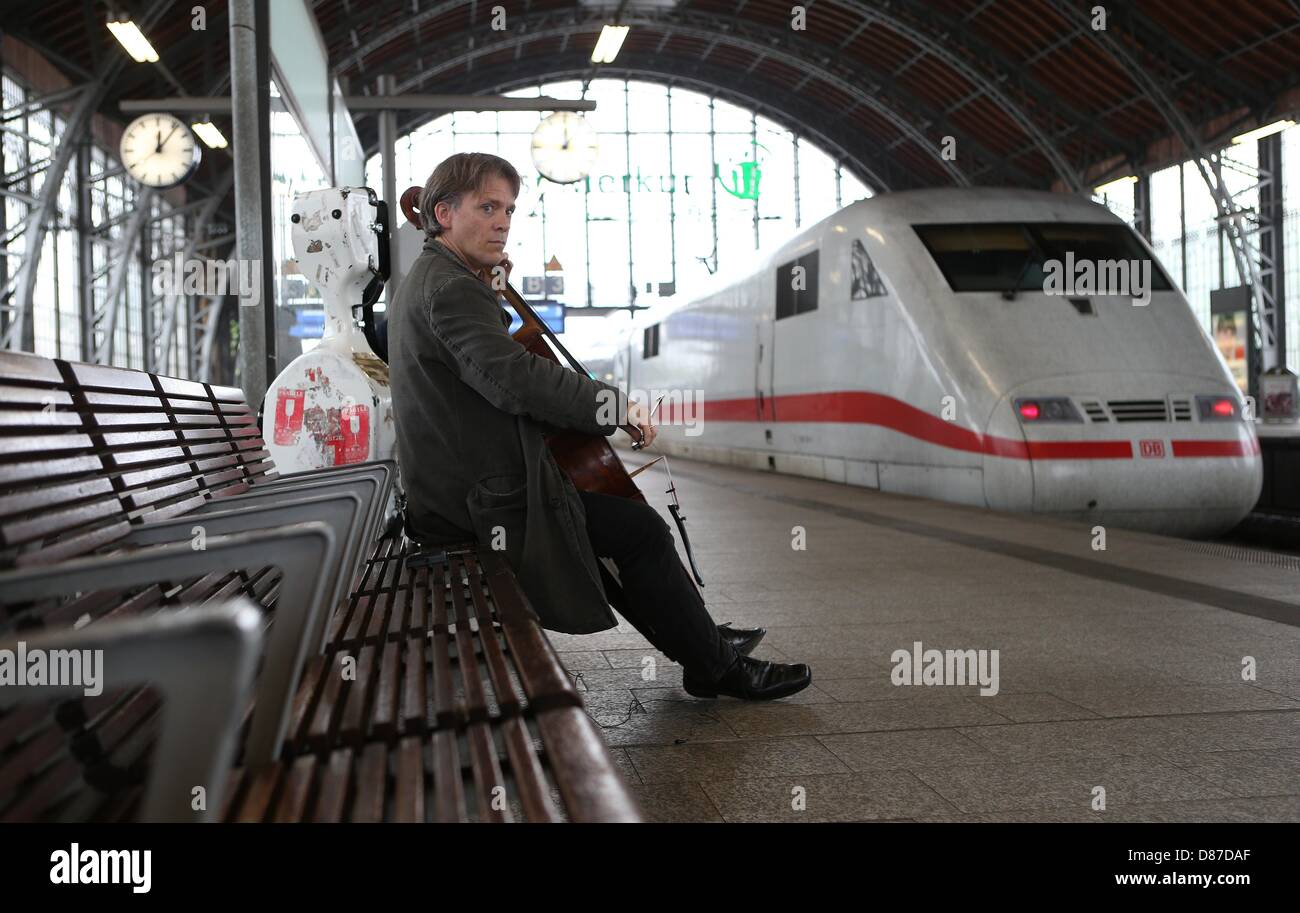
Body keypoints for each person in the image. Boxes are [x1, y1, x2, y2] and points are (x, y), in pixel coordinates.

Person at [387, 152, 811, 700]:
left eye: (510, 210)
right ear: (442, 212)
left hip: (463, 488)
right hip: (481, 502)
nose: (503, 222)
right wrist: (615, 406)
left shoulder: (436, 277)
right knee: (638, 533)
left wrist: (491, 284)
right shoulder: (449, 287)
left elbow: (482, 363)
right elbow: (517, 379)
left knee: (621, 533)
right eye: (487, 206)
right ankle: (714, 664)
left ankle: (702, 645)